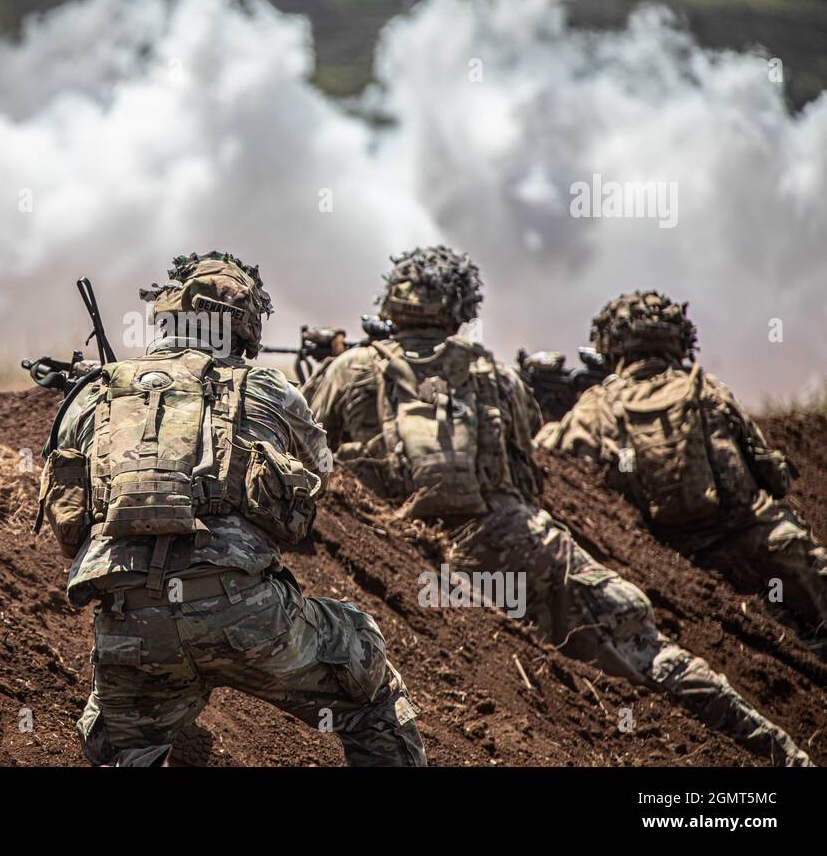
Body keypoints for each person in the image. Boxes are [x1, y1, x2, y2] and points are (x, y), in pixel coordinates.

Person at [304, 246, 809, 765]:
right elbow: (529, 471)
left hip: (403, 559)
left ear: (391, 299)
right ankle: (785, 756)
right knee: (642, 642)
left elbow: (305, 454)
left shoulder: (348, 370)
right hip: (517, 541)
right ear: (462, 304)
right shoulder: (494, 373)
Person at [39, 251, 425, 766]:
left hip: (131, 624)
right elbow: (321, 472)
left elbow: (66, 513)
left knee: (123, 749)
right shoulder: (268, 387)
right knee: (369, 689)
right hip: (248, 616)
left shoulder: (96, 393)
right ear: (245, 324)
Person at [536, 290, 826, 646]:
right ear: (679, 340)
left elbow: (550, 462)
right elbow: (775, 479)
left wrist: (549, 411)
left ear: (610, 344)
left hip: (690, 570)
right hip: (770, 546)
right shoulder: (707, 389)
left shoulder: (595, 408)